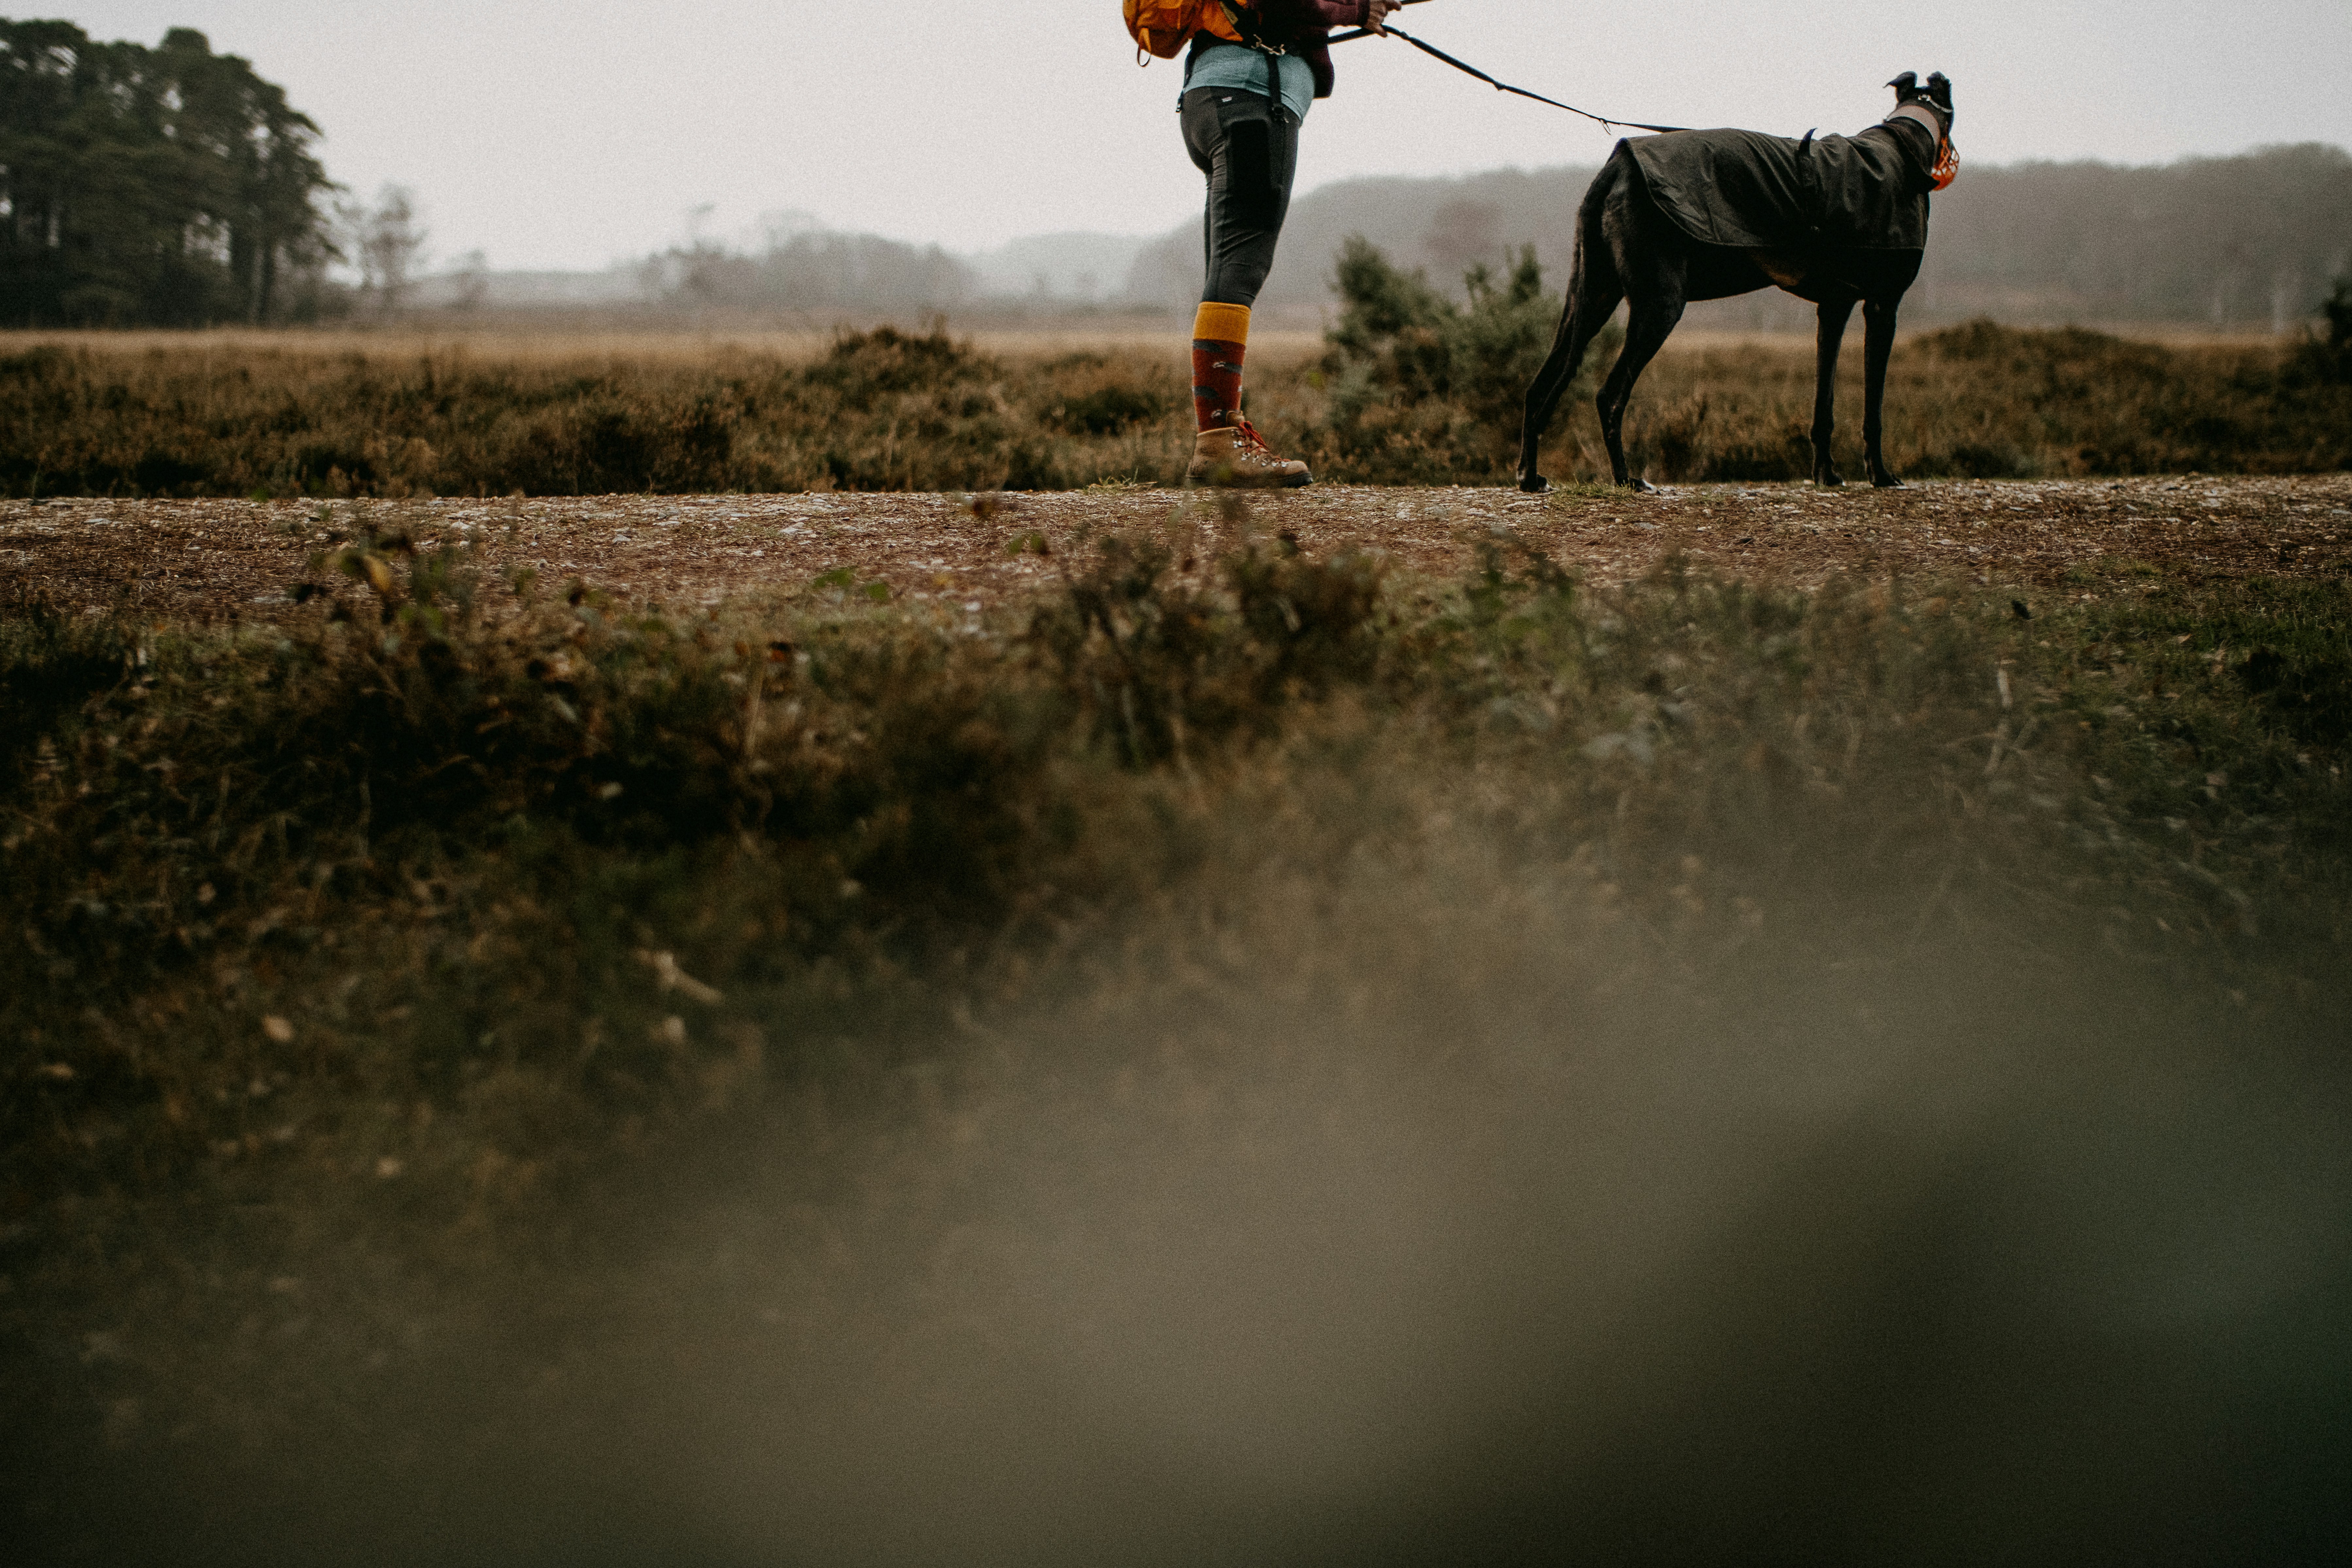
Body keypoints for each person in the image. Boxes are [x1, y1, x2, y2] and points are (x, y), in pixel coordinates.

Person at [1179, 0, 1401, 487]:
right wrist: (1354, 9)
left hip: (1211, 100)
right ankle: (1218, 444)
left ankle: (1221, 432)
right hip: (1254, 100)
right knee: (1240, 268)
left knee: (1226, 270)